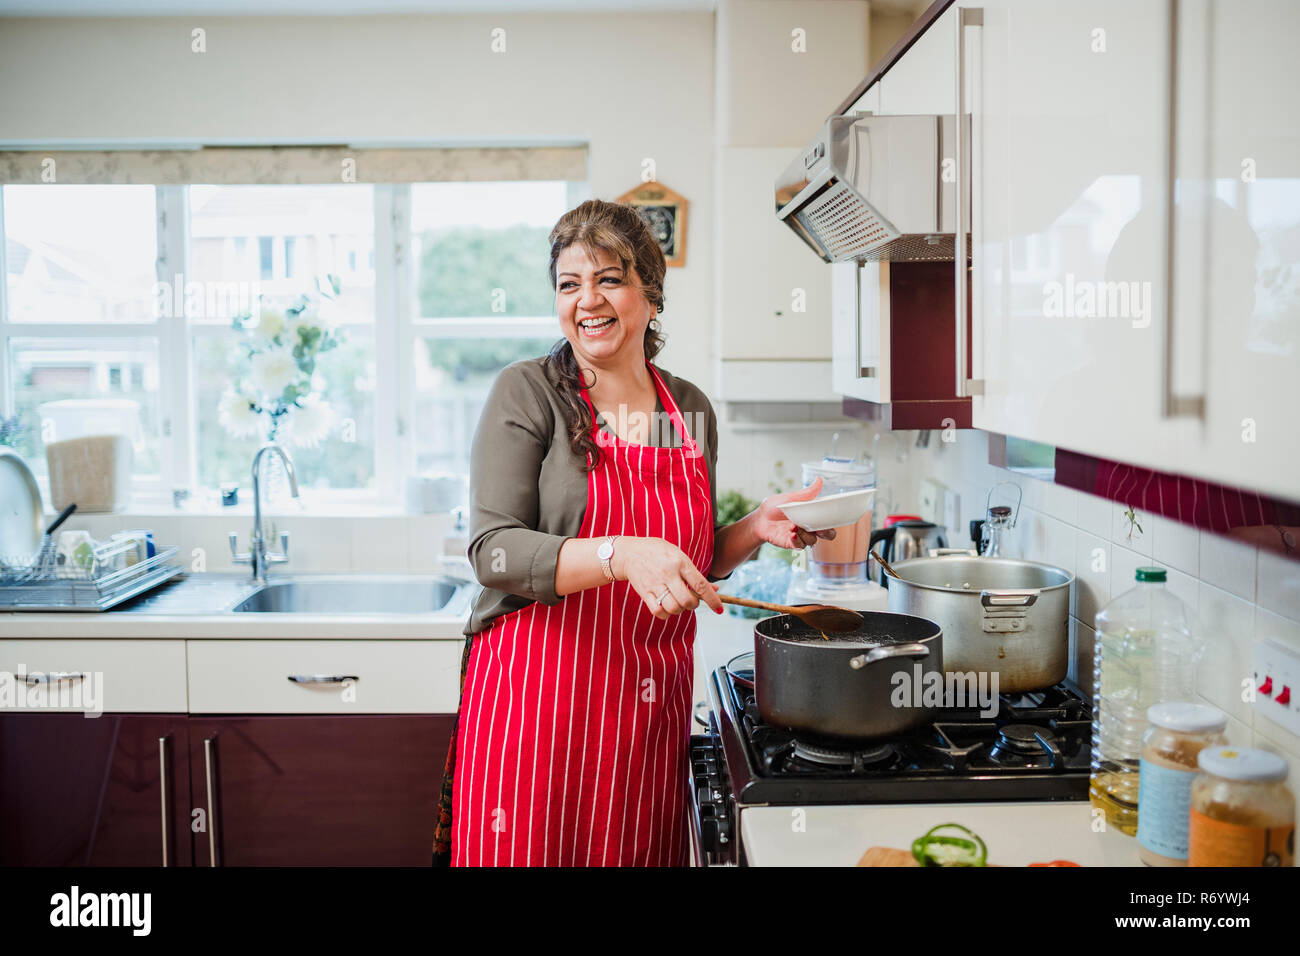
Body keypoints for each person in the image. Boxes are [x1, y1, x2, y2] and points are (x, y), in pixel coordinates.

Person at [432, 198, 833, 866]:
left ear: (650, 293)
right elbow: (493, 550)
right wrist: (618, 555)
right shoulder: (530, 393)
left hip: (645, 708)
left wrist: (754, 528)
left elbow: (689, 555)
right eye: (569, 284)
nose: (586, 300)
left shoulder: (689, 408)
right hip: (539, 700)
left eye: (608, 279)